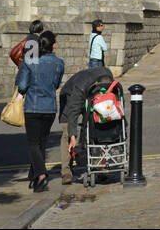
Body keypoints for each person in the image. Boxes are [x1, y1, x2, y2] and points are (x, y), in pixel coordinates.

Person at [16, 30, 64, 191]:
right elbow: (56, 84)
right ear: (53, 45)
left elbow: (22, 86)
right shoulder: (59, 63)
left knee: (33, 143)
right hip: (49, 107)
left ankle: (41, 174)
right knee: (41, 143)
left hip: (33, 107)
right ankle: (34, 177)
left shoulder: (29, 62)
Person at [57, 62, 114, 183]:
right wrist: (73, 137)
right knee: (67, 133)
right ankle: (66, 172)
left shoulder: (108, 76)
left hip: (92, 99)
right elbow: (73, 113)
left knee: (96, 129)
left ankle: (98, 167)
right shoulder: (80, 87)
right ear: (96, 84)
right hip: (69, 97)